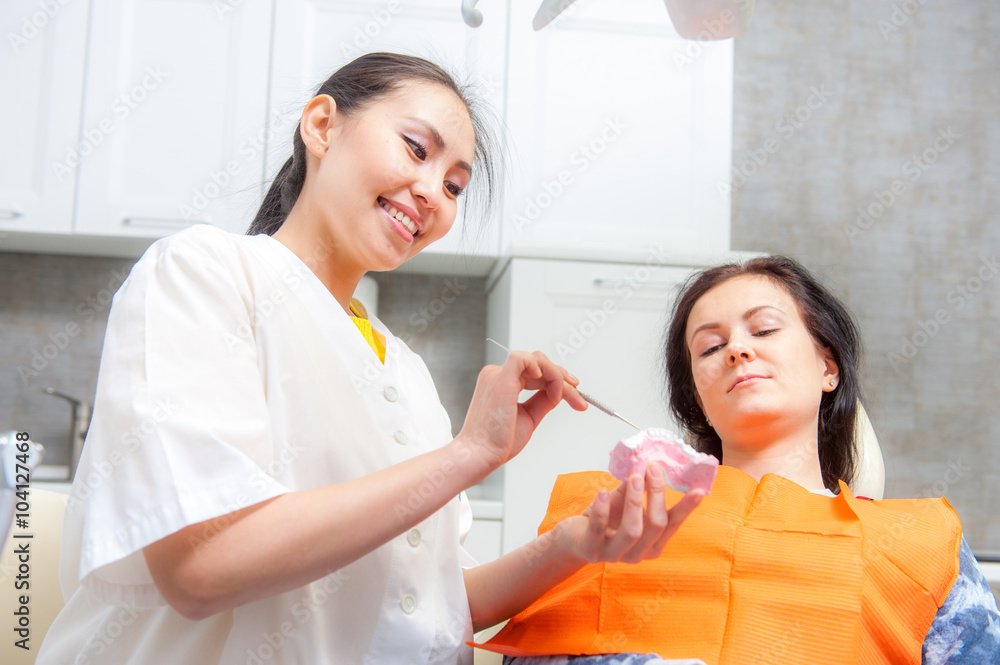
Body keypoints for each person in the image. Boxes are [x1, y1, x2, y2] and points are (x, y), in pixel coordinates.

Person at [35, 52, 705, 665]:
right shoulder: (203, 273)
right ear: (323, 125)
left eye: (454, 186)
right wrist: (467, 455)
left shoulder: (406, 371)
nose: (432, 196)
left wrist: (573, 544)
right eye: (415, 148)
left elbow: (434, 603)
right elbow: (203, 563)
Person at [479, 256, 1000, 665]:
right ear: (698, 400)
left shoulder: (925, 541)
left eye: (765, 329)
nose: (736, 351)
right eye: (710, 348)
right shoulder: (612, 518)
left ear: (828, 366)